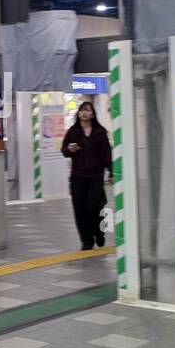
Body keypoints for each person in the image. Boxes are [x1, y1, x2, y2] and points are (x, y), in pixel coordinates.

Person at [61, 101, 112, 250]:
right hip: (77, 176)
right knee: (79, 209)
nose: (84, 113)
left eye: (87, 110)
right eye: (82, 110)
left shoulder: (100, 132)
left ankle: (99, 232)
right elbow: (64, 151)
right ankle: (86, 240)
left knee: (94, 206)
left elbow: (106, 153)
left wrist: (110, 170)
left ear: (92, 114)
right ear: (78, 113)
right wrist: (70, 149)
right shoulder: (73, 132)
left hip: (95, 176)